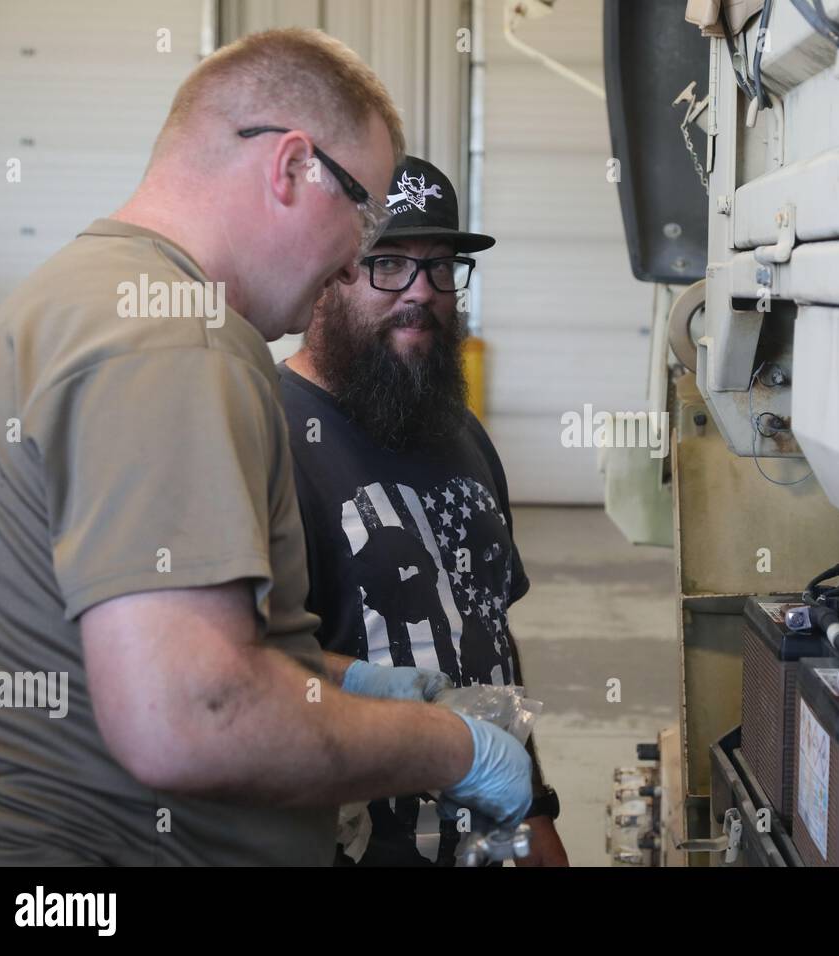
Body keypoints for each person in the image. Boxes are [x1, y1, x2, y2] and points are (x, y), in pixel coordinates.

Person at [0, 28, 531, 866]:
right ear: (292, 167)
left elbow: (162, 644)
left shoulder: (79, 296)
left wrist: (342, 682)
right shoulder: (174, 341)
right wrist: (450, 748)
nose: (353, 260)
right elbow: (193, 718)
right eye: (366, 213)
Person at [280, 156, 569, 866]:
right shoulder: (269, 433)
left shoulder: (459, 429)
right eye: (388, 264)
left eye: (441, 267)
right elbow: (245, 670)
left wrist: (534, 803)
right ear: (328, 274)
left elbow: (491, 627)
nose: (423, 293)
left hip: (487, 841)